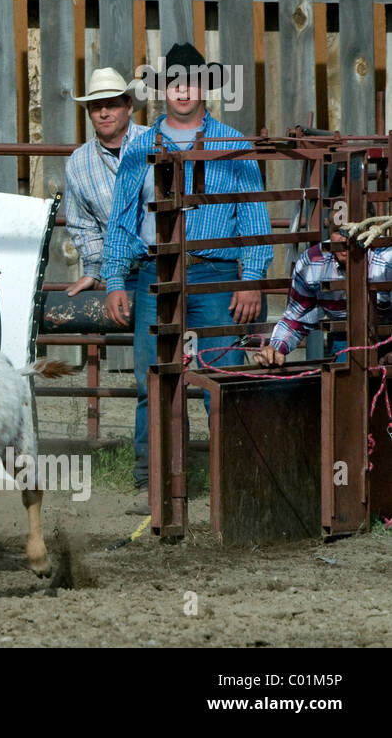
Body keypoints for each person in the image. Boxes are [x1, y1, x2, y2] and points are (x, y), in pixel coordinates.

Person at [101, 42, 273, 514]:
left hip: (214, 274)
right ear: (162, 89)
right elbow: (121, 218)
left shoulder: (233, 145)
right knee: (152, 377)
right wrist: (115, 278)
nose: (182, 90)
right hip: (153, 273)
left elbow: (253, 217)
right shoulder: (140, 147)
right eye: (173, 81)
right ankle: (151, 483)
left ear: (204, 87)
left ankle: (232, 476)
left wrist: (251, 277)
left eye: (190, 81)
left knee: (220, 373)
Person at [252, 225, 392, 366]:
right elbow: (297, 317)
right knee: (343, 375)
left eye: (354, 231)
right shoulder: (313, 261)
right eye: (339, 231)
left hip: (386, 332)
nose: (344, 239)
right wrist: (276, 348)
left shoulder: (387, 258)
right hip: (346, 334)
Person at [63, 67, 145, 297]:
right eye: (97, 107)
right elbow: (83, 223)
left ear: (128, 107)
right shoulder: (79, 162)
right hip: (120, 272)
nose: (104, 113)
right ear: (89, 112)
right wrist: (94, 269)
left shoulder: (154, 144)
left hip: (166, 265)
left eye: (112, 105)